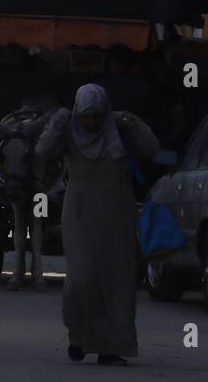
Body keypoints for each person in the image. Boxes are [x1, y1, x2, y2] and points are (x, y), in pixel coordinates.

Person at [36, 84, 158, 365]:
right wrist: (58, 122)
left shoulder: (118, 129)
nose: (91, 122)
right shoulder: (68, 130)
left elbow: (151, 147)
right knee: (81, 278)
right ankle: (78, 337)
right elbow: (42, 151)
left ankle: (111, 348)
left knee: (118, 281)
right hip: (79, 213)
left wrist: (130, 121)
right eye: (86, 116)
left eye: (97, 117)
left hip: (117, 213)